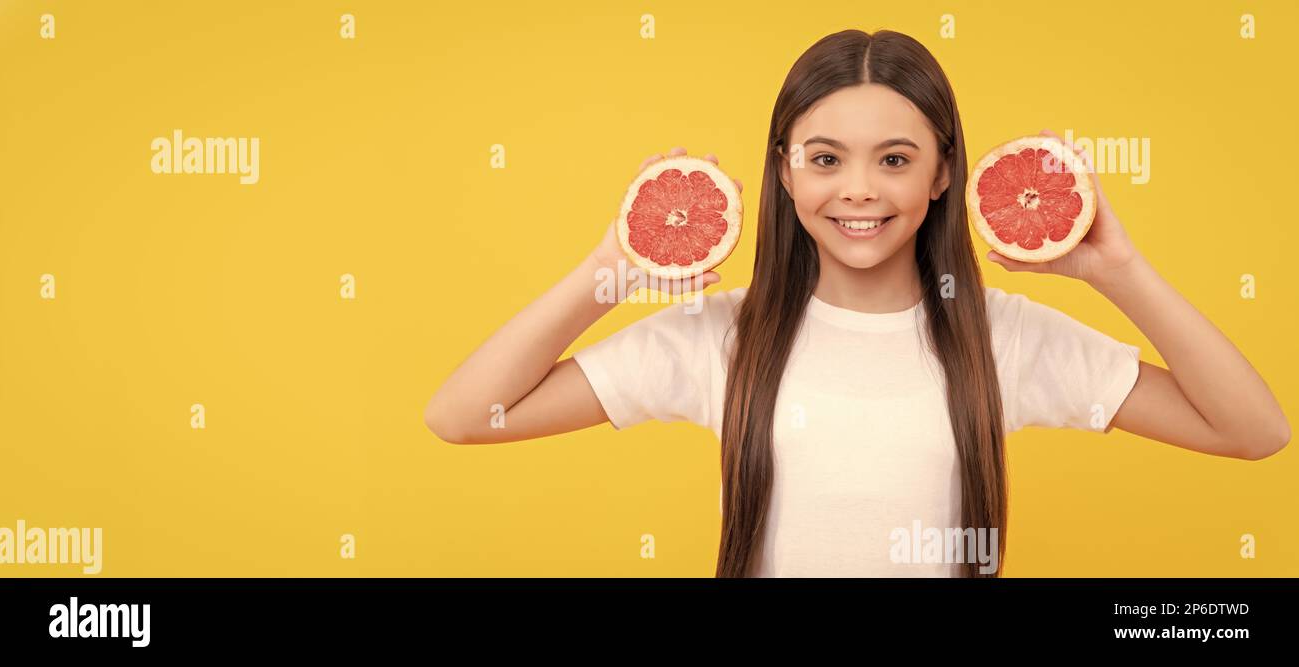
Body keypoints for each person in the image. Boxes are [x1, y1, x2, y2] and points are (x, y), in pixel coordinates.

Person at [425, 29, 1289, 578]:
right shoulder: (720, 336)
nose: (860, 191)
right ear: (785, 170)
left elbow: (1253, 430)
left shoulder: (1003, 339)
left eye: (896, 158)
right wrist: (611, 265)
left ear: (943, 170)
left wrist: (1120, 269)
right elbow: (465, 414)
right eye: (827, 158)